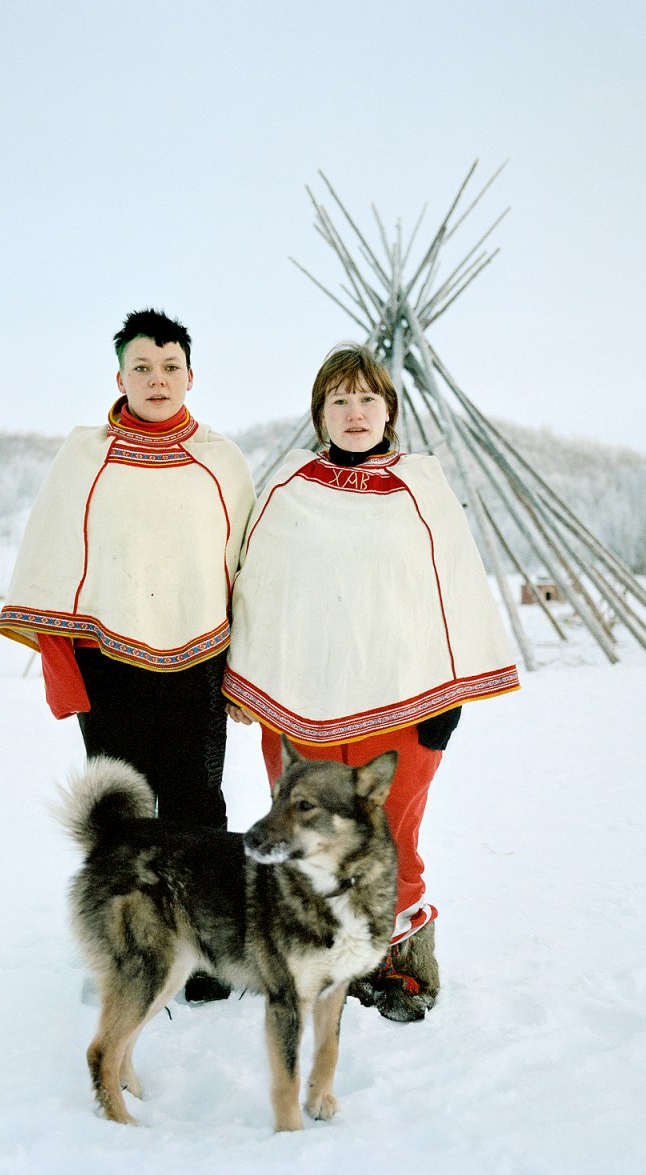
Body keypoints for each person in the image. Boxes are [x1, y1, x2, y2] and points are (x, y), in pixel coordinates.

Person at [223, 342, 520, 1022]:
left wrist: (450, 699)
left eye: (367, 399)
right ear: (319, 414)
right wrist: (248, 683)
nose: (354, 412)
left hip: (403, 703)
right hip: (301, 706)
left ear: (388, 409)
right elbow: (259, 592)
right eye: (339, 400)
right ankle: (313, 958)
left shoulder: (422, 489)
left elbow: (454, 594)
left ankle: (397, 963)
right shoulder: (287, 493)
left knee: (389, 833)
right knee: (308, 831)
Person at [0, 309, 255, 1002]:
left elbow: (244, 568)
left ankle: (202, 954)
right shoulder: (84, 456)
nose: (157, 379)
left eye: (170, 367)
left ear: (191, 376)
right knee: (121, 805)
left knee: (197, 803)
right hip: (107, 659)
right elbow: (53, 559)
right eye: (142, 367)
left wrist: (246, 671)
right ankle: (130, 940)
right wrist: (62, 665)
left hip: (199, 659)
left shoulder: (221, 461)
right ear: (120, 375)